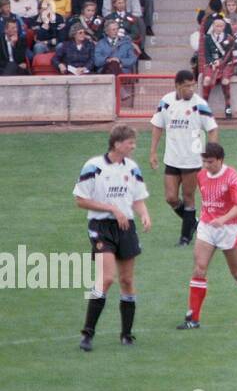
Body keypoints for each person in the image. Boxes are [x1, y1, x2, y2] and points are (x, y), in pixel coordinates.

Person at [75, 124, 152, 351]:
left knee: (127, 281)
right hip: (101, 227)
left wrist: (145, 214)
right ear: (117, 144)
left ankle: (126, 335)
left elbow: (137, 198)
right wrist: (111, 208)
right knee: (107, 278)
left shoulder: (133, 168)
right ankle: (87, 334)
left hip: (126, 226)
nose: (133, 146)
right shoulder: (93, 166)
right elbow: (80, 200)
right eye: (130, 142)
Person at [177, 142, 237, 328]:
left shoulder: (232, 177)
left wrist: (222, 219)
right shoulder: (201, 175)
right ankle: (193, 318)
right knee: (199, 268)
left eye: (210, 162)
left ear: (220, 160)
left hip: (229, 228)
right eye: (204, 161)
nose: (206, 165)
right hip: (207, 227)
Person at [148, 69, 219, 248]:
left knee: (188, 197)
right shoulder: (166, 102)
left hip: (192, 160)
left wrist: (210, 153)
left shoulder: (199, 104)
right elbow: (157, 126)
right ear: (177, 86)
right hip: (172, 158)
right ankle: (194, 223)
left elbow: (212, 129)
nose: (191, 89)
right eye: (187, 86)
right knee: (171, 198)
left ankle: (185, 238)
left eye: (192, 85)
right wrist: (153, 151)